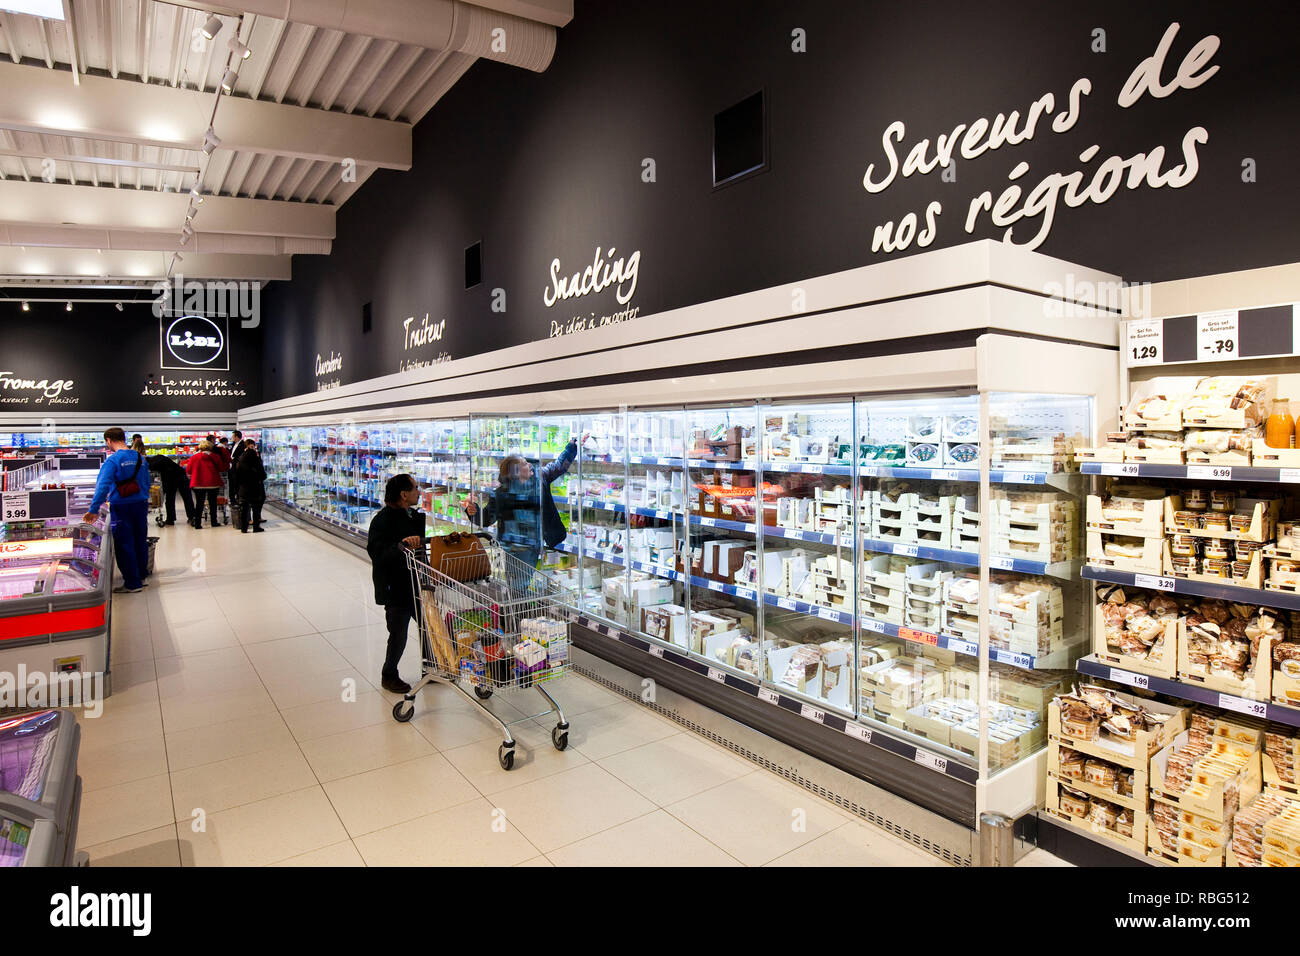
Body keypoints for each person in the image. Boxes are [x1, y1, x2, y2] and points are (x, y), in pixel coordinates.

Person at [465, 438, 578, 574]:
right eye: (525, 464)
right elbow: (486, 520)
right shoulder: (501, 495)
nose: (530, 465)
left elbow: (560, 466)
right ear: (516, 473)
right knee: (520, 588)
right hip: (516, 551)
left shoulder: (540, 479)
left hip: (543, 544)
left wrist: (572, 446)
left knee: (540, 585)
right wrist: (472, 511)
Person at [367, 473, 425, 694]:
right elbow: (377, 552)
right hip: (395, 587)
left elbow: (418, 549)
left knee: (427, 627)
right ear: (403, 494)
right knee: (399, 633)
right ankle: (388, 674)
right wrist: (400, 545)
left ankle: (431, 669)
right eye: (415, 488)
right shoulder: (382, 520)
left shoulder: (411, 515)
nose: (419, 491)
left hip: (416, 582)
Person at [83, 427, 151, 593]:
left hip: (122, 506)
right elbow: (148, 482)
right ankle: (141, 576)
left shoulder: (112, 461)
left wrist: (93, 509)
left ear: (108, 441)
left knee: (124, 543)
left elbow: (102, 486)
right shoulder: (140, 458)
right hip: (141, 504)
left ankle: (133, 583)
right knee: (140, 540)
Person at [147, 452, 195, 526]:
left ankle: (170, 519)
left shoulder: (152, 464)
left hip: (170, 479)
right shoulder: (159, 457)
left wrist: (164, 489)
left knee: (170, 500)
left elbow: (162, 474)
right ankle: (192, 517)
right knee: (187, 497)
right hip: (181, 475)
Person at [185, 440, 224, 528]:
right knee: (213, 503)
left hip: (198, 483)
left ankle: (198, 524)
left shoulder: (194, 457)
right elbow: (221, 467)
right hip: (213, 482)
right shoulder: (215, 456)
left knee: (199, 503)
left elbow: (188, 470)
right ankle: (214, 522)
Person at [233, 439, 266, 533]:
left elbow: (236, 475)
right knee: (256, 508)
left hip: (243, 488)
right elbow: (262, 475)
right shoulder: (256, 460)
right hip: (255, 487)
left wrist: (237, 488)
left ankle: (244, 528)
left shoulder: (240, 459)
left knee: (244, 509)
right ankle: (256, 527)